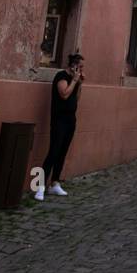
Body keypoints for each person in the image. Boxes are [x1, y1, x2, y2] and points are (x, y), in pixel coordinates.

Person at [35, 51, 83, 201]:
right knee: (53, 152)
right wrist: (74, 81)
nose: (82, 70)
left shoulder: (75, 79)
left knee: (63, 152)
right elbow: (64, 94)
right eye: (80, 67)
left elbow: (76, 98)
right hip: (59, 120)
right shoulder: (61, 77)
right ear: (74, 66)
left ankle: (54, 183)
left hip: (70, 120)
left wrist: (80, 84)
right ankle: (40, 186)